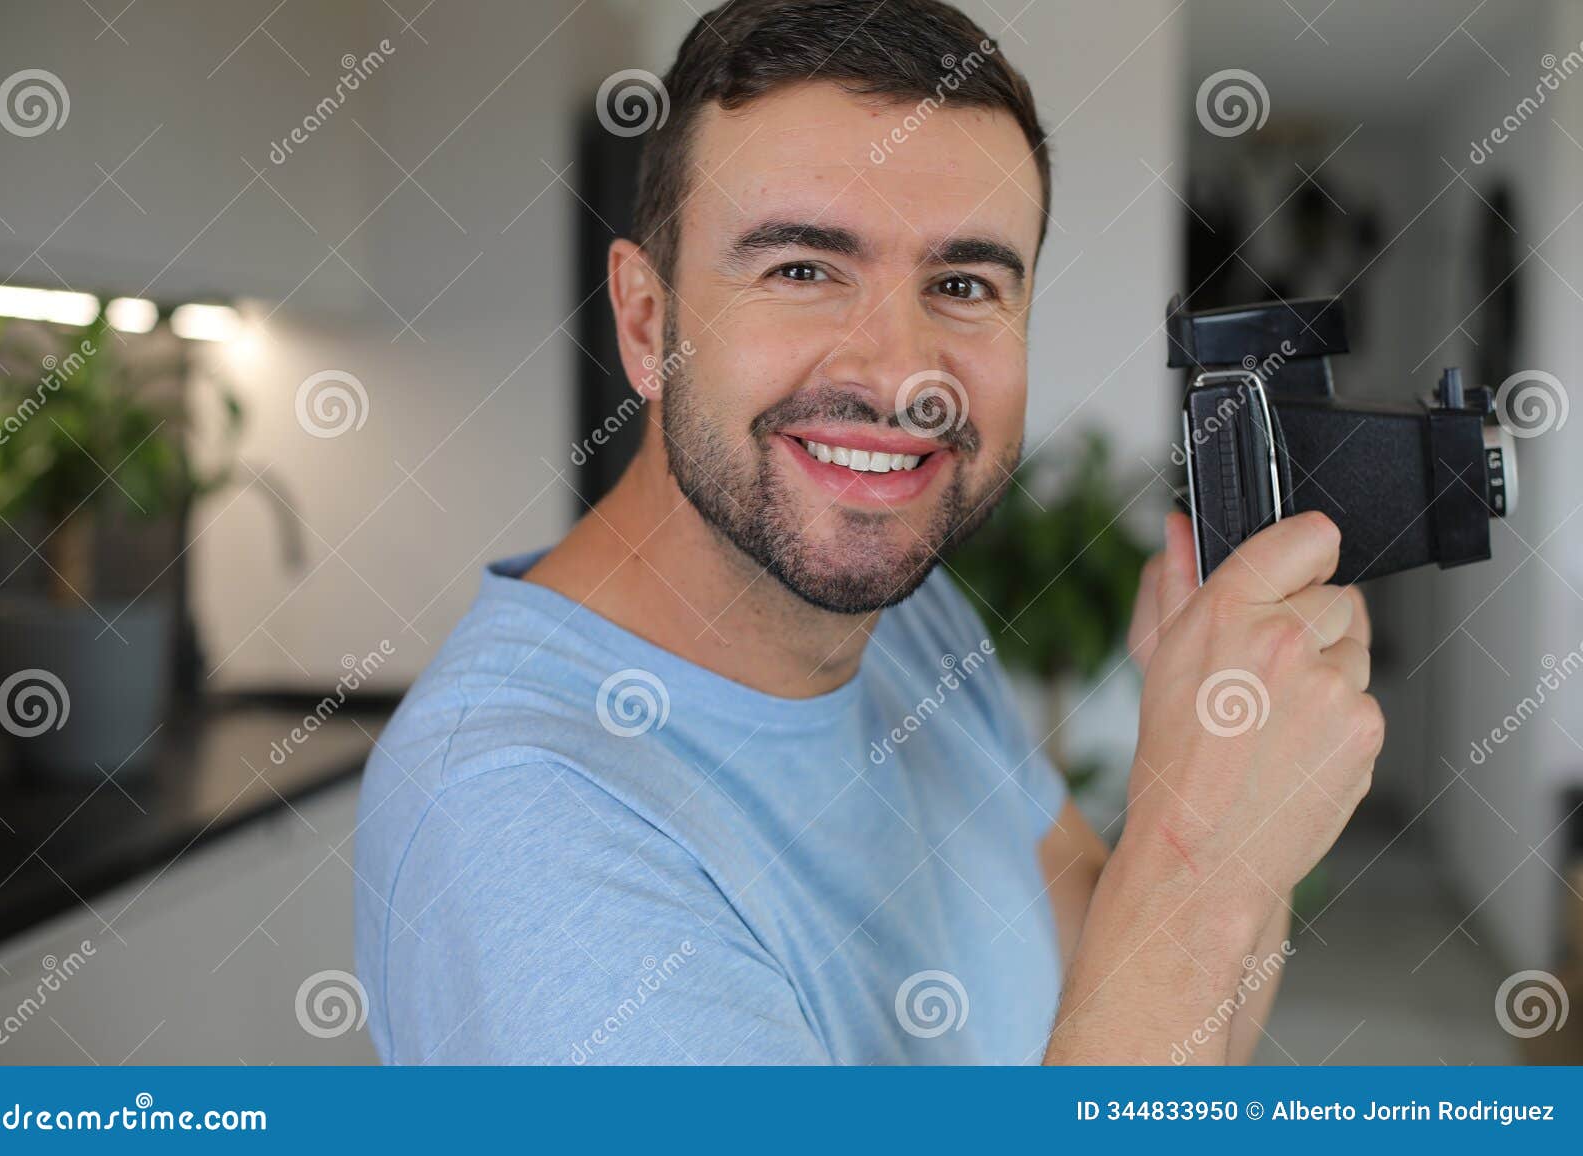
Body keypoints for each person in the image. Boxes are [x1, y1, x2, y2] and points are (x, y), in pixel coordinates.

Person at [354, 0, 1380, 1064]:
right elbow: (1170, 960)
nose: (901, 375)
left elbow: (1158, 1018)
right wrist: (1199, 860)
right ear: (648, 321)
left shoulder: (906, 618)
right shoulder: (520, 821)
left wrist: (1222, 795)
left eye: (962, 284)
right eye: (802, 268)